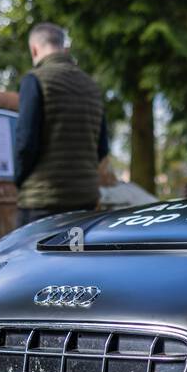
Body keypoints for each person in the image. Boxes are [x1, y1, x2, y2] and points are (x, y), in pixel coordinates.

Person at [13, 22, 110, 226]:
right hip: (86, 201)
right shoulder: (91, 86)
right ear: (63, 47)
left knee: (32, 258)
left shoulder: (35, 80)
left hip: (42, 203)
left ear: (34, 49)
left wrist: (19, 179)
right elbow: (102, 148)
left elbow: (25, 143)